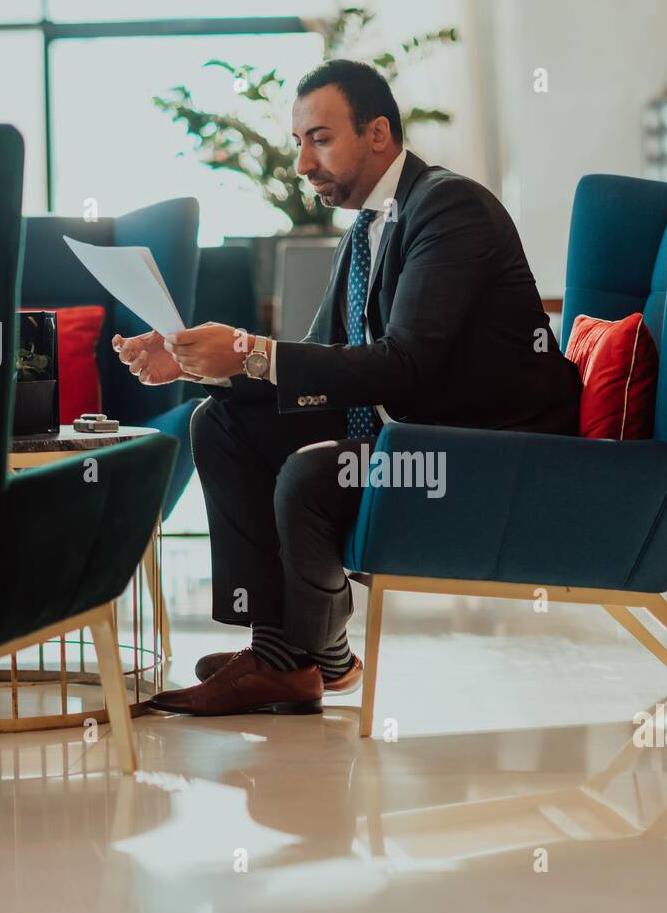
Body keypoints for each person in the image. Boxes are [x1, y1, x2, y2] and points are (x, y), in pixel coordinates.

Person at [112, 58, 581, 716]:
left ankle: (303, 656)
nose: (303, 163)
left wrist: (249, 351)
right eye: (299, 142)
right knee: (218, 422)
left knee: (314, 473)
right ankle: (289, 655)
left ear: (378, 134)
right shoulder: (367, 228)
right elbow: (321, 367)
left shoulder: (449, 208)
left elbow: (404, 363)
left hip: (486, 450)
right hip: (412, 432)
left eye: (320, 138)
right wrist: (202, 363)